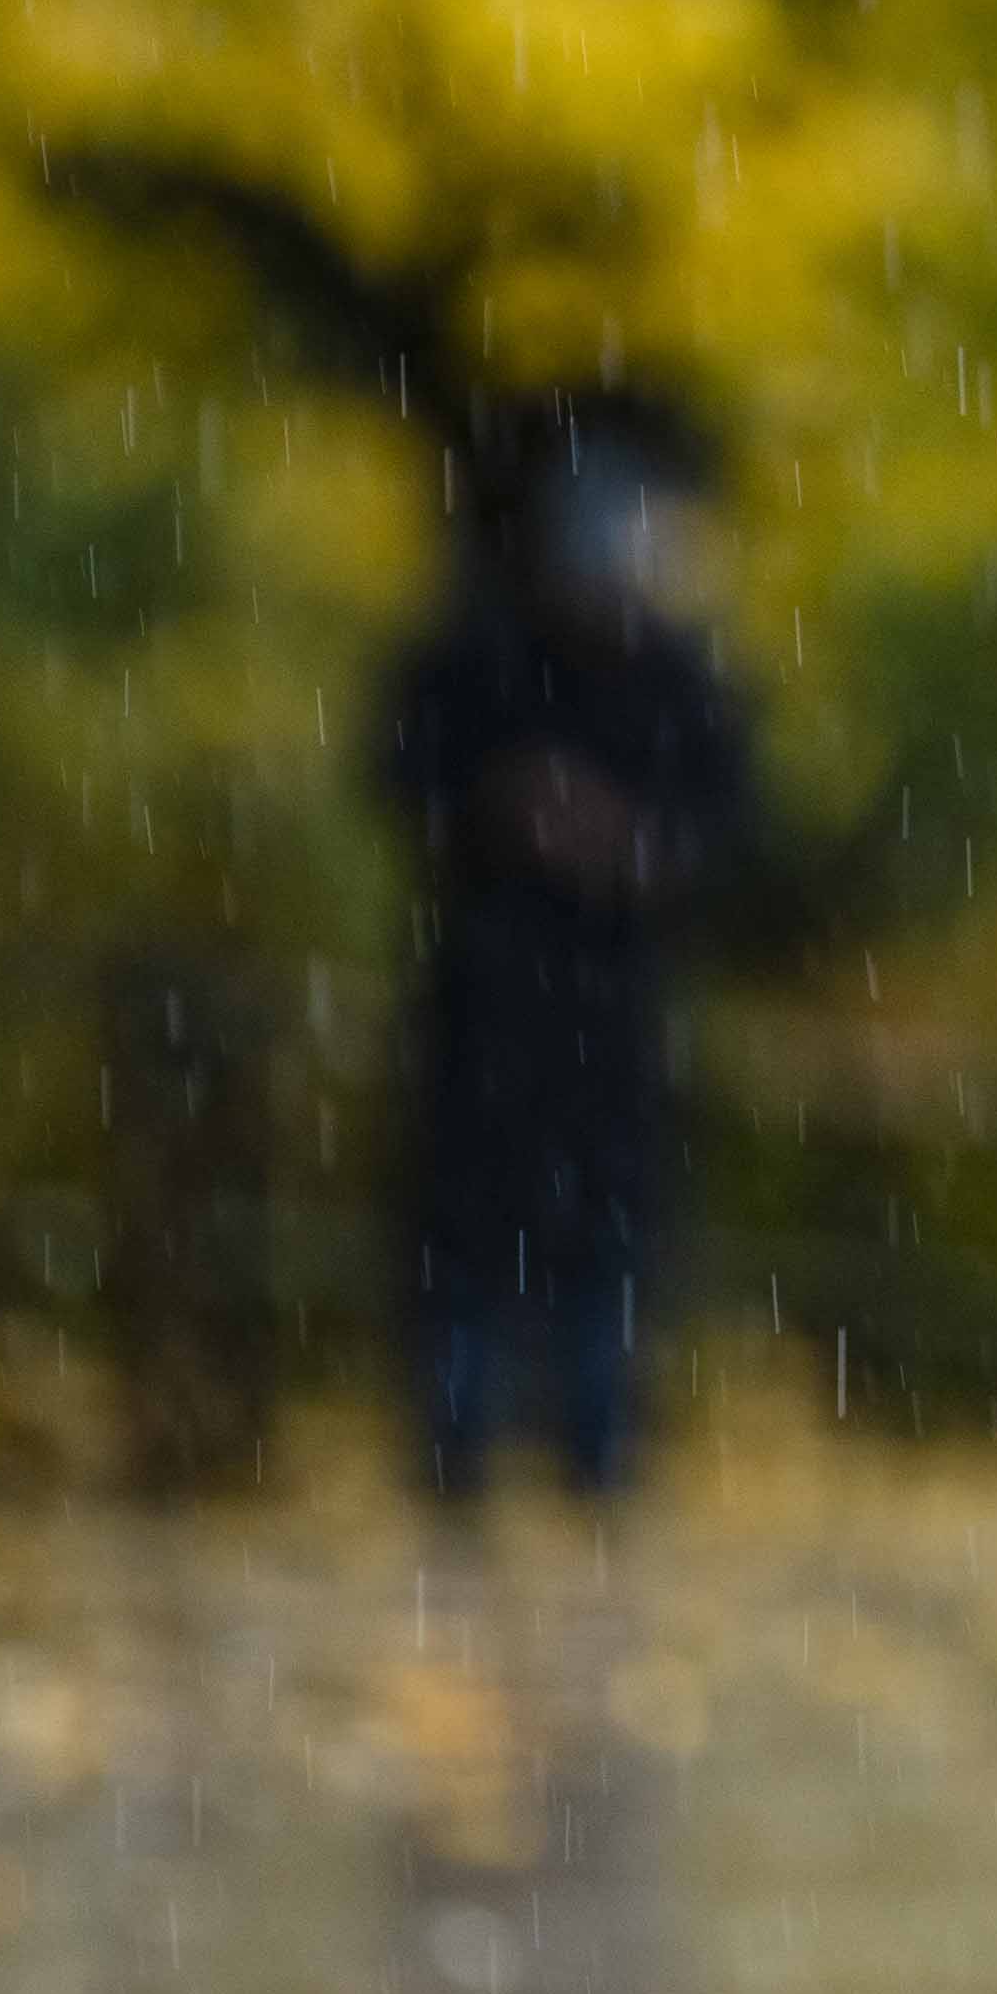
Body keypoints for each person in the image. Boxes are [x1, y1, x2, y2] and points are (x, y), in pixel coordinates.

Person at [377, 400, 764, 1507]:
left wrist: (631, 848)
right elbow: (406, 783)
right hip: (482, 1025)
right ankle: (458, 1479)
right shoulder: (480, 659)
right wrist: (509, 810)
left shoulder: (681, 682)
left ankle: (596, 1479)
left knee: (605, 1286)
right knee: (466, 1282)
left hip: (614, 1036)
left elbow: (727, 839)